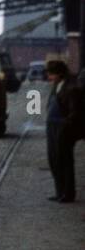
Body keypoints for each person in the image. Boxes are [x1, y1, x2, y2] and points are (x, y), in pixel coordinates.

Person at [44, 60, 82, 203]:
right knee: (54, 160)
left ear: (59, 73)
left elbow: (75, 113)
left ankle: (68, 193)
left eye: (51, 74)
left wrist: (65, 125)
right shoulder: (57, 85)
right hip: (52, 128)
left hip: (63, 129)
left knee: (64, 161)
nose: (49, 77)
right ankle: (59, 191)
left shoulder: (72, 88)